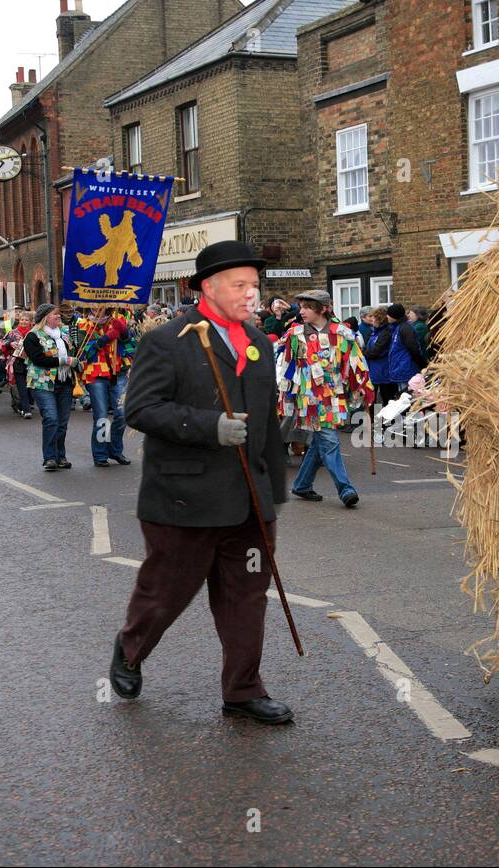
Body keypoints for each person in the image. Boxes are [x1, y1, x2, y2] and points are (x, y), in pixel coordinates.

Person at [111, 239, 292, 724]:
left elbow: (267, 423)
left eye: (255, 284)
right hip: (183, 497)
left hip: (249, 500)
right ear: (208, 287)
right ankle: (130, 649)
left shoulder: (260, 344)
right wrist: (208, 426)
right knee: (166, 593)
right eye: (240, 284)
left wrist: (275, 489)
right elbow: (142, 409)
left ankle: (243, 690)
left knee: (246, 598)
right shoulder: (166, 340)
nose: (251, 293)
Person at [279, 289, 374, 507]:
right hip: (309, 399)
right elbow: (284, 367)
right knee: (329, 440)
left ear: (323, 309)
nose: (301, 311)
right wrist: (285, 394)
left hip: (334, 396)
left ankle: (302, 484)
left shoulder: (342, 334)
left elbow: (355, 362)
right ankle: (346, 489)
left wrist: (361, 386)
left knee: (320, 443)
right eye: (300, 307)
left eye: (306, 307)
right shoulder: (295, 335)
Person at [73, 307, 135, 466]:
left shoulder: (118, 318)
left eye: (100, 303)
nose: (97, 306)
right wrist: (106, 338)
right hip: (96, 372)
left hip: (119, 371)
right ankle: (100, 453)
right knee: (101, 415)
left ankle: (115, 450)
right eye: (94, 303)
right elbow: (83, 352)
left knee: (122, 413)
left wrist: (125, 334)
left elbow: (132, 347)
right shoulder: (81, 324)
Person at [23, 303, 78, 471]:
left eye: (59, 314)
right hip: (42, 383)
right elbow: (38, 359)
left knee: (62, 423)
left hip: (64, 382)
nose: (59, 316)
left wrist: (75, 361)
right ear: (45, 317)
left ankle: (60, 456)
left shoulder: (65, 335)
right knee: (51, 419)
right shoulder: (32, 336)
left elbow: (72, 353)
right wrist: (64, 361)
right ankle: (49, 458)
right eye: (55, 314)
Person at [365, 303, 424, 403]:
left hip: (401, 370)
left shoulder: (404, 328)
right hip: (395, 370)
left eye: (389, 315)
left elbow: (413, 349)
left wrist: (422, 365)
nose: (387, 317)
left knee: (403, 401)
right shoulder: (397, 327)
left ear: (394, 316)